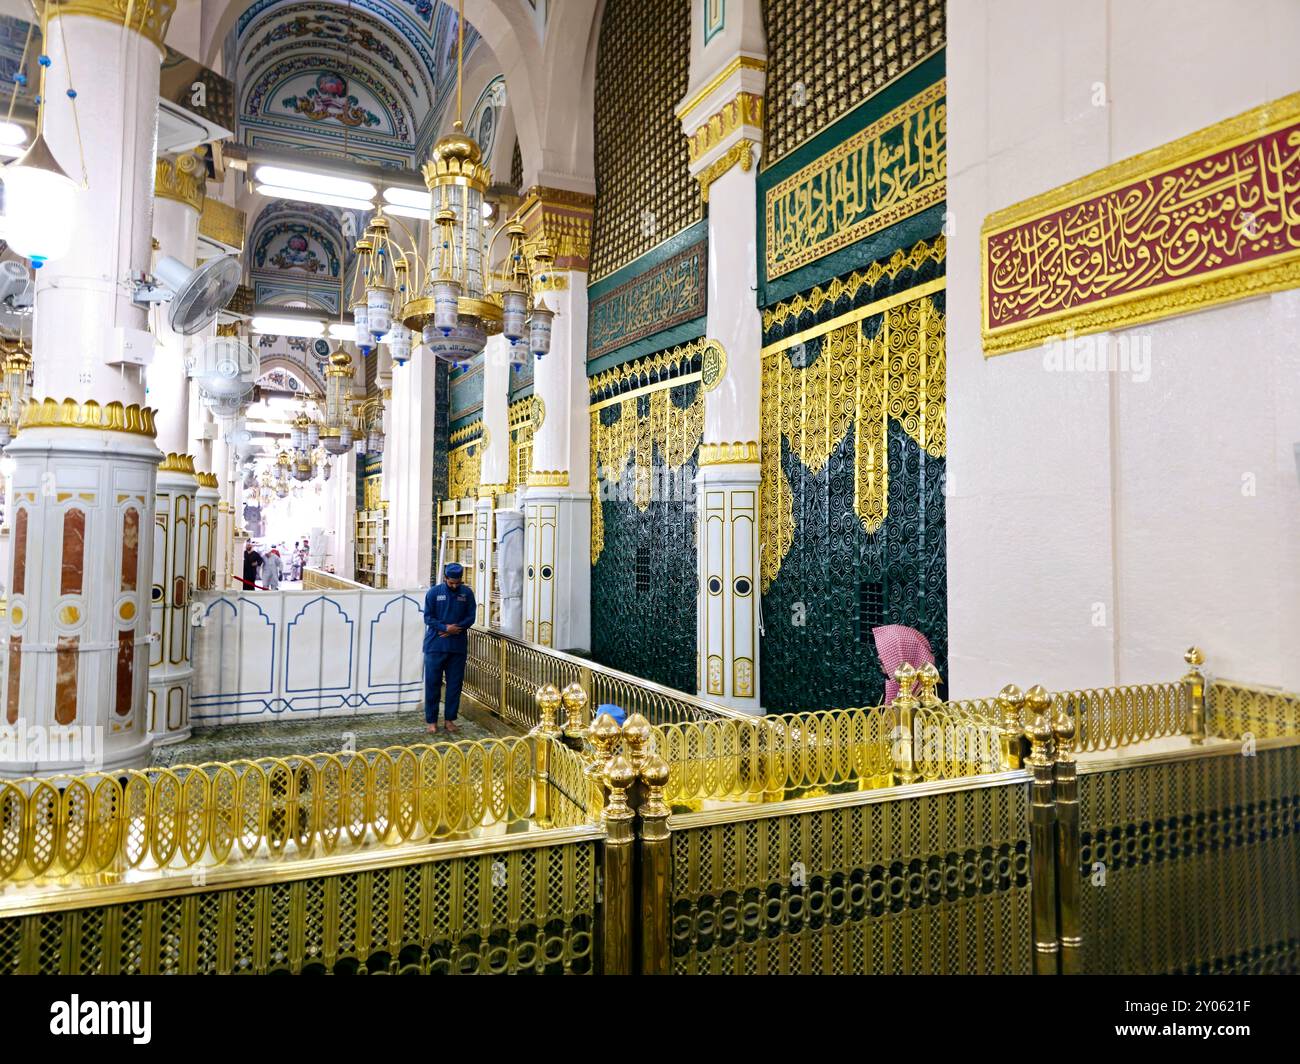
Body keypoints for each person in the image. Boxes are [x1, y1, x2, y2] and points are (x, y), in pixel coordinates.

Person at [423, 562, 476, 734]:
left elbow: (470, 617)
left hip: (457, 647)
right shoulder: (433, 593)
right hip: (435, 646)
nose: (454, 586)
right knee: (433, 684)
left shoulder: (467, 593)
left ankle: (449, 720)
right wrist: (446, 628)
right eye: (451, 583)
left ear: (461, 579)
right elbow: (428, 617)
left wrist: (455, 629)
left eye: (457, 583)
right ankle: (431, 721)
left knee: (454, 685)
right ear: (445, 578)